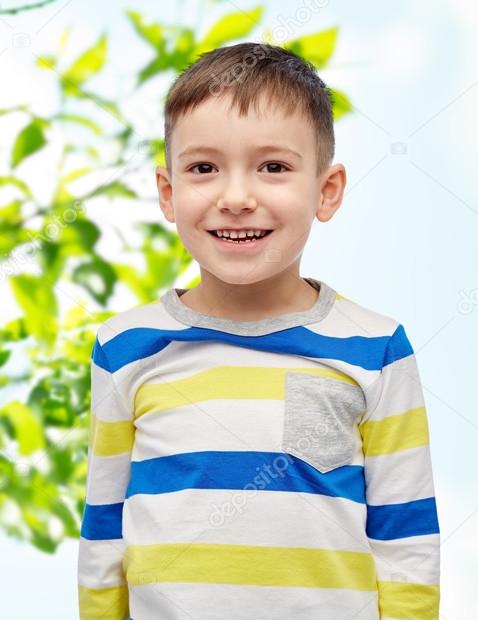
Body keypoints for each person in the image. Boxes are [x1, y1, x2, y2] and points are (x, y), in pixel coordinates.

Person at [77, 42, 440, 619]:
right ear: (168, 193)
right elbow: (103, 529)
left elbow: (407, 538)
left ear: (327, 190)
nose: (236, 198)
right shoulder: (124, 348)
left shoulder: (377, 349)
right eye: (203, 168)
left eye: (273, 167)